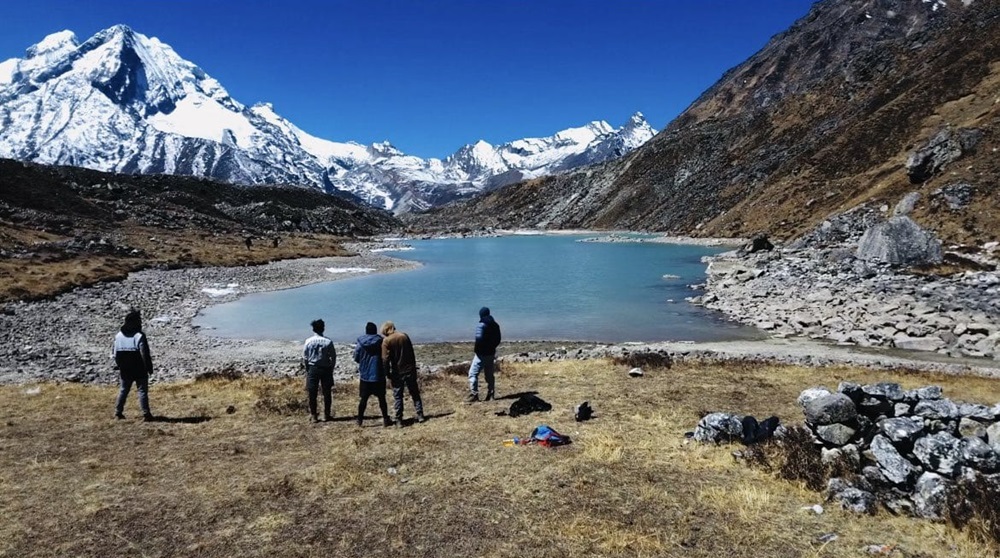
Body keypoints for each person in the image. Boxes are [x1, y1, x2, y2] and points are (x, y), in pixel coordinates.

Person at [111, 309, 154, 421]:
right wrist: (149, 367)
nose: (140, 323)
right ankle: (146, 414)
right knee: (142, 391)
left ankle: (117, 413)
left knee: (123, 390)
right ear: (135, 322)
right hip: (139, 368)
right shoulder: (139, 335)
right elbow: (144, 353)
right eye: (139, 320)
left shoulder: (119, 336)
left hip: (125, 368)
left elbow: (114, 353)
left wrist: (119, 365)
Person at [380, 321, 424, 427]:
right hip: (409, 369)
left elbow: (385, 359)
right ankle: (420, 414)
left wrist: (387, 373)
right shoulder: (404, 336)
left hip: (397, 371)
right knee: (415, 393)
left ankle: (399, 419)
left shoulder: (386, 341)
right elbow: (411, 353)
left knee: (398, 396)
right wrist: (413, 367)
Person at [353, 322, 393, 428]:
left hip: (365, 375)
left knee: (363, 399)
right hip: (378, 375)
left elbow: (356, 357)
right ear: (375, 331)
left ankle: (360, 420)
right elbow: (386, 357)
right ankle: (385, 419)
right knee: (382, 399)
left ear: (366, 331)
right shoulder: (381, 342)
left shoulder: (360, 343)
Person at [302, 318, 336, 423]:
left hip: (313, 368)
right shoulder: (328, 341)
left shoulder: (308, 341)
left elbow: (305, 357)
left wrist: (307, 368)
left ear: (313, 329)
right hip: (325, 368)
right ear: (323, 329)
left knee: (312, 392)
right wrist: (332, 368)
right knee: (327, 392)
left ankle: (313, 415)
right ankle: (326, 414)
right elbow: (333, 357)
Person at [466, 306, 501, 403]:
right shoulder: (495, 325)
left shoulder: (481, 325)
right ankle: (491, 393)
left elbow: (479, 339)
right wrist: (492, 347)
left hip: (481, 354)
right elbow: (498, 339)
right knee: (489, 375)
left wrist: (478, 350)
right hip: (491, 353)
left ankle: (474, 394)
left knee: (472, 374)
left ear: (481, 315)